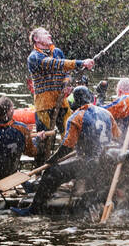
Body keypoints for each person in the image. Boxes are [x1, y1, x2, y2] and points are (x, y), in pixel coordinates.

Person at [22, 84, 114, 214]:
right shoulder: (106, 113)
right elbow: (117, 137)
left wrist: (51, 161)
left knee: (51, 173)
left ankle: (34, 209)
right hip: (105, 162)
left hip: (88, 163)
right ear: (90, 98)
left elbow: (66, 147)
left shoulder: (76, 117)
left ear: (76, 101)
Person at [26, 27, 94, 162]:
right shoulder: (34, 57)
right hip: (44, 106)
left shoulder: (57, 52)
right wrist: (80, 63)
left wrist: (66, 84)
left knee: (70, 134)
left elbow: (66, 72)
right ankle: (40, 171)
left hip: (61, 102)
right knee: (44, 141)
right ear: (36, 39)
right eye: (45, 33)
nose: (49, 35)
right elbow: (55, 64)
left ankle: (70, 165)